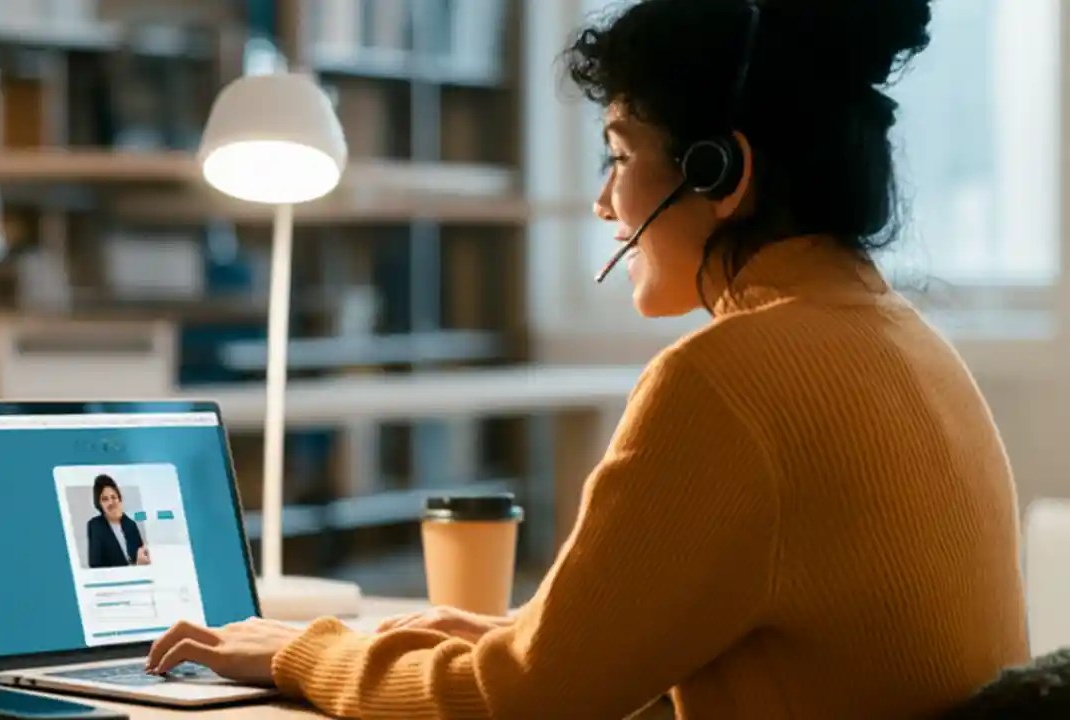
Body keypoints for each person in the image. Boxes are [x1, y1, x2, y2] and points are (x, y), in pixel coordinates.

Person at [143, 0, 1030, 717]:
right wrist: (434, 637)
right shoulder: (909, 346)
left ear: (722, 173)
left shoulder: (728, 379)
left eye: (618, 155)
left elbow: (522, 701)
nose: (606, 201)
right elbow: (598, 651)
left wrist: (300, 654)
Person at [86, 474, 150, 569]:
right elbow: (95, 565)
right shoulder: (95, 526)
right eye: (105, 499)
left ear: (119, 499)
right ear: (99, 504)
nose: (111, 502)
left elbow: (140, 558)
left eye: (113, 497)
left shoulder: (130, 524)